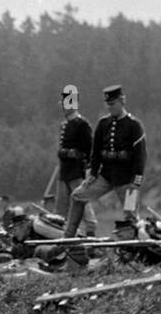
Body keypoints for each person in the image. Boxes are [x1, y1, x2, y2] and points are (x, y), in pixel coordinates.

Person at [62, 85, 146, 241]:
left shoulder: (134, 126)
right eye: (107, 104)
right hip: (106, 177)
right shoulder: (103, 124)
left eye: (112, 104)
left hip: (127, 180)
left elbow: (140, 157)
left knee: (131, 215)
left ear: (122, 101)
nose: (109, 107)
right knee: (78, 196)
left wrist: (136, 182)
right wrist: (93, 174)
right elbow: (96, 153)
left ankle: (137, 247)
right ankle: (68, 238)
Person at [52, 88, 97, 236]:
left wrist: (86, 165)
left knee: (83, 206)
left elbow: (89, 149)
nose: (63, 107)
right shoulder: (64, 125)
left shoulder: (81, 124)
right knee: (60, 210)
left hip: (77, 171)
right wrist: (65, 153)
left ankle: (90, 234)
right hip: (64, 171)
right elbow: (61, 149)